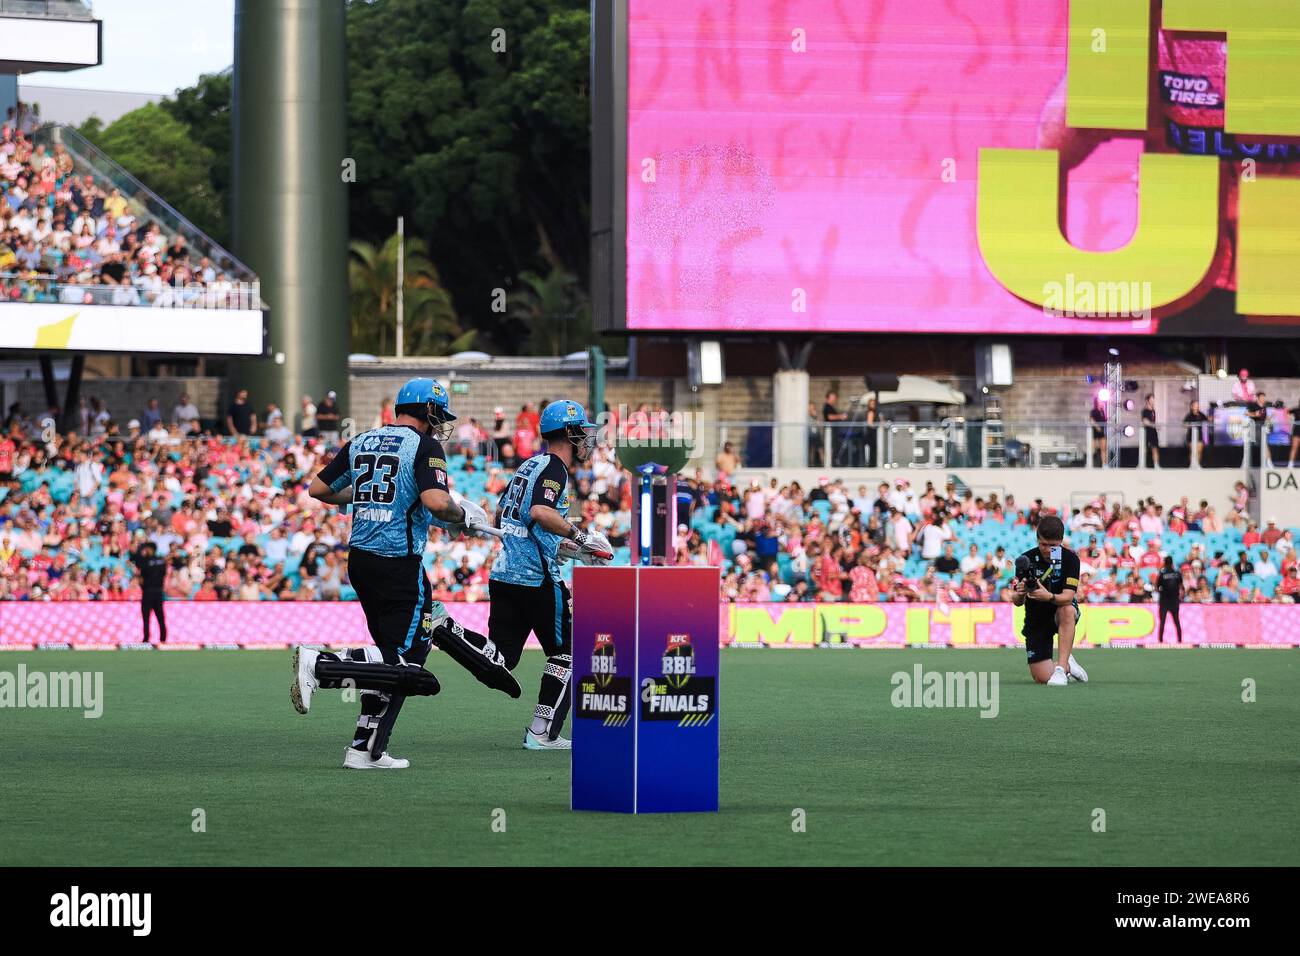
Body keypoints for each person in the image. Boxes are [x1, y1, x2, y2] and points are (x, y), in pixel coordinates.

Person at [290, 377, 514, 770]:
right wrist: (461, 516)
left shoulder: (362, 440)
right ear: (428, 410)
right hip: (398, 563)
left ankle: (366, 749)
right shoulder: (425, 446)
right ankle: (321, 665)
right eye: (438, 414)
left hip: (361, 559)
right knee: (406, 658)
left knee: (400, 655)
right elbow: (433, 500)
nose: (439, 422)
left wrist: (371, 496)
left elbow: (319, 489)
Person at [488, 399, 611, 750]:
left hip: (504, 576)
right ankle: (542, 733)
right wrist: (581, 537)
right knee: (569, 654)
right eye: (583, 432)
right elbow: (541, 512)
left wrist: (580, 553)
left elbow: (507, 518)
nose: (587, 439)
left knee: (501, 658)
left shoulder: (529, 466)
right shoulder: (555, 469)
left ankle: (449, 634)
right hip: (538, 581)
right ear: (570, 433)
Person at [1009, 515, 1089, 685]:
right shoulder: (1026, 559)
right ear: (1037, 539)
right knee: (1043, 678)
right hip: (1036, 618)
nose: (1047, 549)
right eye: (1043, 544)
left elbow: (1068, 597)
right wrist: (1021, 592)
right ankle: (1067, 663)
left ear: (1061, 541)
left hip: (1059, 609)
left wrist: (1049, 596)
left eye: (1053, 545)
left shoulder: (1070, 559)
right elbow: (1016, 601)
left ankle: (1060, 668)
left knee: (1067, 609)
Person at [132, 540, 168, 643]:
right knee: (160, 617)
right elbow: (163, 573)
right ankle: (163, 639)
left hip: (148, 591)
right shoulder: (161, 561)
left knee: (146, 617)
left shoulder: (145, 561)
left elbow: (138, 564)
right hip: (158, 591)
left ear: (150, 549)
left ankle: (146, 639)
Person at [1155, 555, 1183, 643]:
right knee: (1176, 621)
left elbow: (1157, 587)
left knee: (1162, 621)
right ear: (1172, 563)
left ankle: (1160, 641)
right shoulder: (1177, 573)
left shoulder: (1162, 574)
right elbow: (1181, 586)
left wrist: (1162, 592)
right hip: (1174, 600)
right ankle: (1179, 641)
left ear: (1164, 563)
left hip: (1164, 601)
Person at [1183, 399, 1209, 465]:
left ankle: (1198, 464)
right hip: (1191, 436)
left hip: (1200, 436)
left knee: (1199, 451)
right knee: (1192, 451)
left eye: (1197, 405)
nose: (1196, 406)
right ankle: (1191, 464)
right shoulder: (1189, 416)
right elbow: (1184, 424)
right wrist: (1189, 425)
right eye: (1194, 405)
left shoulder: (1202, 415)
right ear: (1191, 406)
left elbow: (1207, 423)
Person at [1141, 394, 1160, 468]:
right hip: (1146, 431)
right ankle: (1142, 464)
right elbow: (1145, 421)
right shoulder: (1145, 410)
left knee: (1155, 448)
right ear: (1147, 400)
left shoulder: (1153, 410)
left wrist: (1155, 426)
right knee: (1144, 448)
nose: (1153, 401)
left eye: (1153, 399)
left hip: (1153, 431)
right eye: (1151, 399)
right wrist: (1153, 425)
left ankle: (1156, 465)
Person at [1089, 397, 1107, 466]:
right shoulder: (1093, 411)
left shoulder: (1102, 411)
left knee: (1103, 449)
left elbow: (1104, 421)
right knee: (1093, 449)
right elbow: (1092, 420)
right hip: (1095, 432)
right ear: (1096, 402)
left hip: (1102, 432)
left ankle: (1104, 464)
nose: (1101, 402)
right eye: (1100, 401)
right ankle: (1090, 463)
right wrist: (1097, 427)